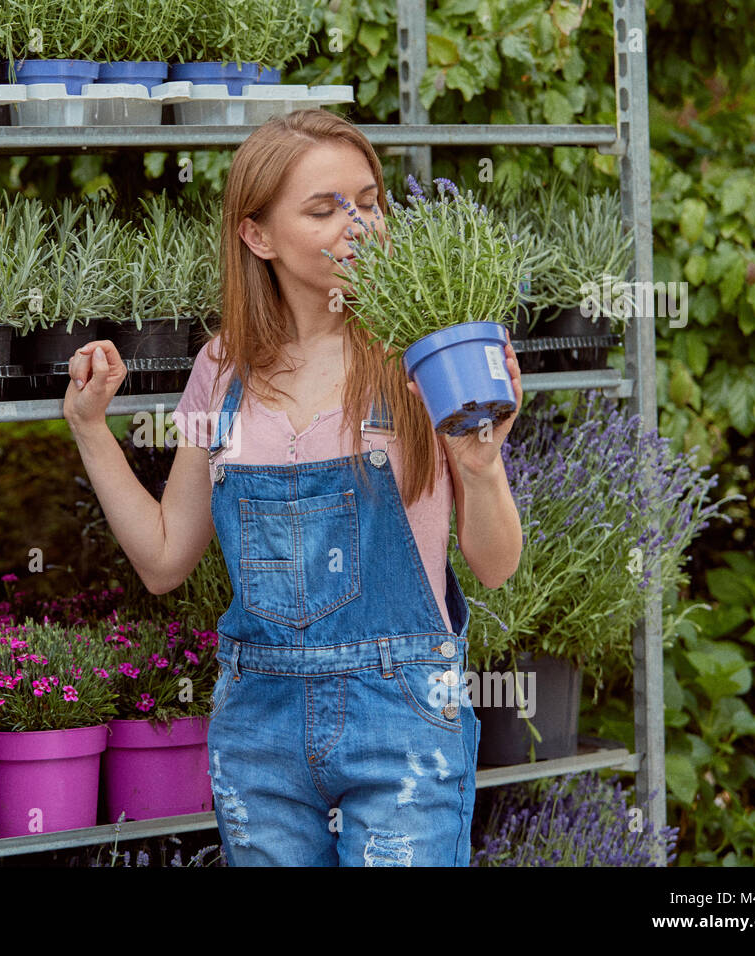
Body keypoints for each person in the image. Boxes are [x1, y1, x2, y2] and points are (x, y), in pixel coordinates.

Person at [62, 109, 523, 866]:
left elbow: (497, 565)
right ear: (257, 236)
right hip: (261, 723)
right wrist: (89, 428)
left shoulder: (422, 360)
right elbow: (164, 558)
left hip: (402, 714)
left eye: (369, 201)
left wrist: (479, 466)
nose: (359, 225)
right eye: (324, 209)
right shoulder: (223, 370)